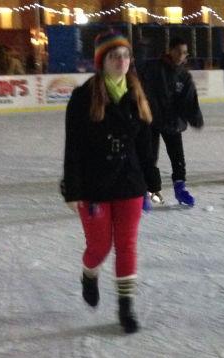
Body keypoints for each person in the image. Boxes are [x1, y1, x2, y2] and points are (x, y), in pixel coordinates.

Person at [60, 31, 160, 334]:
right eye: (114, 56)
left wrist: (151, 180)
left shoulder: (138, 94)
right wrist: (73, 189)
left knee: (127, 245)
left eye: (126, 56)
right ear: (102, 61)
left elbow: (146, 145)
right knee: (100, 246)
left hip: (129, 182)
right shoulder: (83, 96)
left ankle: (125, 307)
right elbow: (73, 146)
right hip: (94, 186)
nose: (122, 61)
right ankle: (90, 274)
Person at [139, 36, 204, 206]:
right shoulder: (154, 68)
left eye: (184, 53)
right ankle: (148, 192)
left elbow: (190, 100)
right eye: (178, 51)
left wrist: (195, 117)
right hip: (151, 120)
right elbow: (139, 78)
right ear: (170, 51)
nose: (181, 55)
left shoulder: (184, 76)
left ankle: (180, 188)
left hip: (173, 122)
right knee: (149, 157)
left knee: (177, 157)